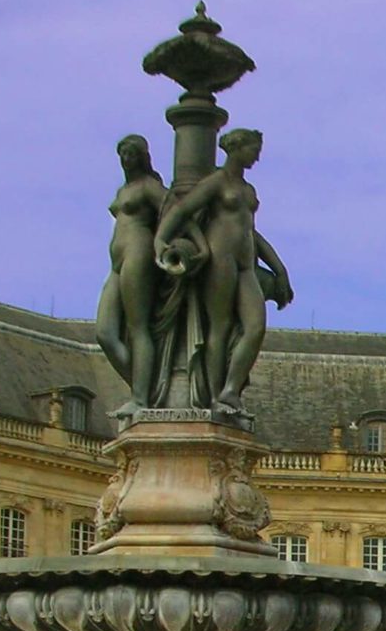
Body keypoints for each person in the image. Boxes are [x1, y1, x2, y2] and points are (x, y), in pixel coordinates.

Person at [154, 126, 293, 414]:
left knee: (255, 327)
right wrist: (160, 239)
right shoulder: (216, 182)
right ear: (236, 147)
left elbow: (252, 232)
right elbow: (181, 210)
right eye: (253, 148)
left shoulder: (247, 189)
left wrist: (279, 269)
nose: (256, 155)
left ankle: (231, 389)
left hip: (246, 262)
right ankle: (215, 396)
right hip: (220, 257)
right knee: (220, 327)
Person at [92, 134, 171, 415]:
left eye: (131, 153)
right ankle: (150, 388)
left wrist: (167, 244)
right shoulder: (124, 189)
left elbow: (174, 212)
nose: (126, 159)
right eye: (122, 154)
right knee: (105, 332)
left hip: (139, 252)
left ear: (142, 156)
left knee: (138, 328)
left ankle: (141, 398)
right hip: (117, 260)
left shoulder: (150, 186)